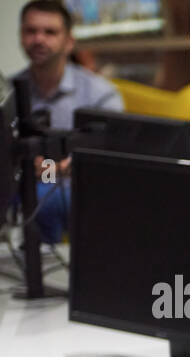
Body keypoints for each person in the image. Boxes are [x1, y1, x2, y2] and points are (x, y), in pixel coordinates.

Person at [11, 0, 124, 245]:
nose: (38, 39)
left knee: (45, 198)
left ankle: (41, 273)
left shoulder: (100, 93)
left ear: (69, 42)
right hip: (22, 182)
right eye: (31, 31)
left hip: (81, 186)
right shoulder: (10, 91)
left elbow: (111, 155)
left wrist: (50, 168)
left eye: (50, 32)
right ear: (21, 36)